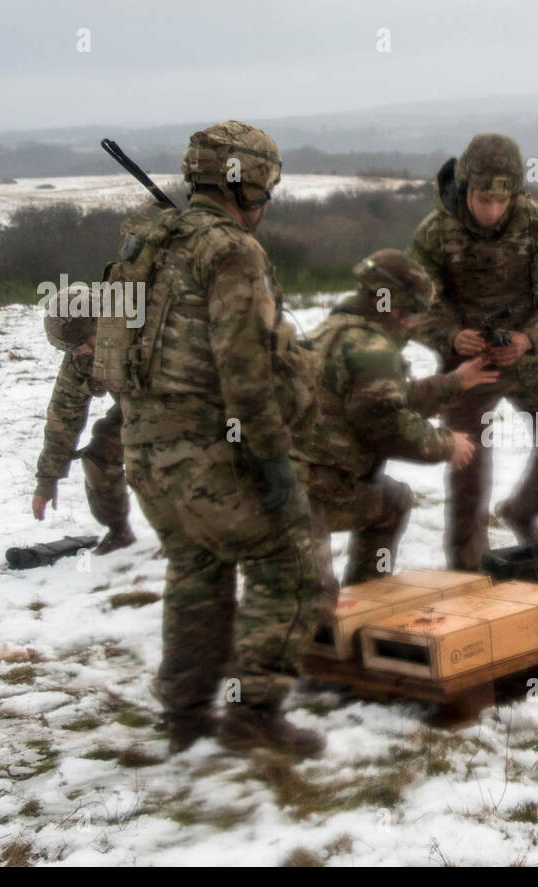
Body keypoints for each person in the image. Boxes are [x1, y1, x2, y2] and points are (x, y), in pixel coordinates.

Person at [118, 120, 330, 757]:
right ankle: (254, 715)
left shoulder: (148, 239)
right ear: (253, 186)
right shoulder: (231, 250)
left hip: (146, 454)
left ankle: (184, 714)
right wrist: (273, 462)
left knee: (197, 568)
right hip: (207, 453)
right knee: (291, 559)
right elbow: (246, 368)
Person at [410, 132, 538, 570]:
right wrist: (451, 336)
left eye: (500, 201)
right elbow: (416, 305)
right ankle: (467, 570)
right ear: (466, 186)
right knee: (467, 468)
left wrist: (528, 340)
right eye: (482, 199)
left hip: (532, 356)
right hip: (468, 365)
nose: (491, 210)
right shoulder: (435, 233)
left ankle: (523, 510)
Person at [294, 250, 498, 584]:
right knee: (309, 610)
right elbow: (388, 426)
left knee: (392, 502)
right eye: (410, 315)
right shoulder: (372, 348)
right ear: (389, 305)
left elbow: (385, 400)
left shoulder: (331, 332)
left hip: (303, 486)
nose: (410, 325)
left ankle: (368, 595)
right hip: (305, 496)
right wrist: (448, 445)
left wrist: (455, 382)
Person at [32, 296, 135, 554]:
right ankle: (119, 533)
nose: (78, 353)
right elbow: (63, 417)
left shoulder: (148, 332)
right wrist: (47, 480)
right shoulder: (81, 358)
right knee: (99, 455)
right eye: (70, 349)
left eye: (79, 345)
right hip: (138, 411)